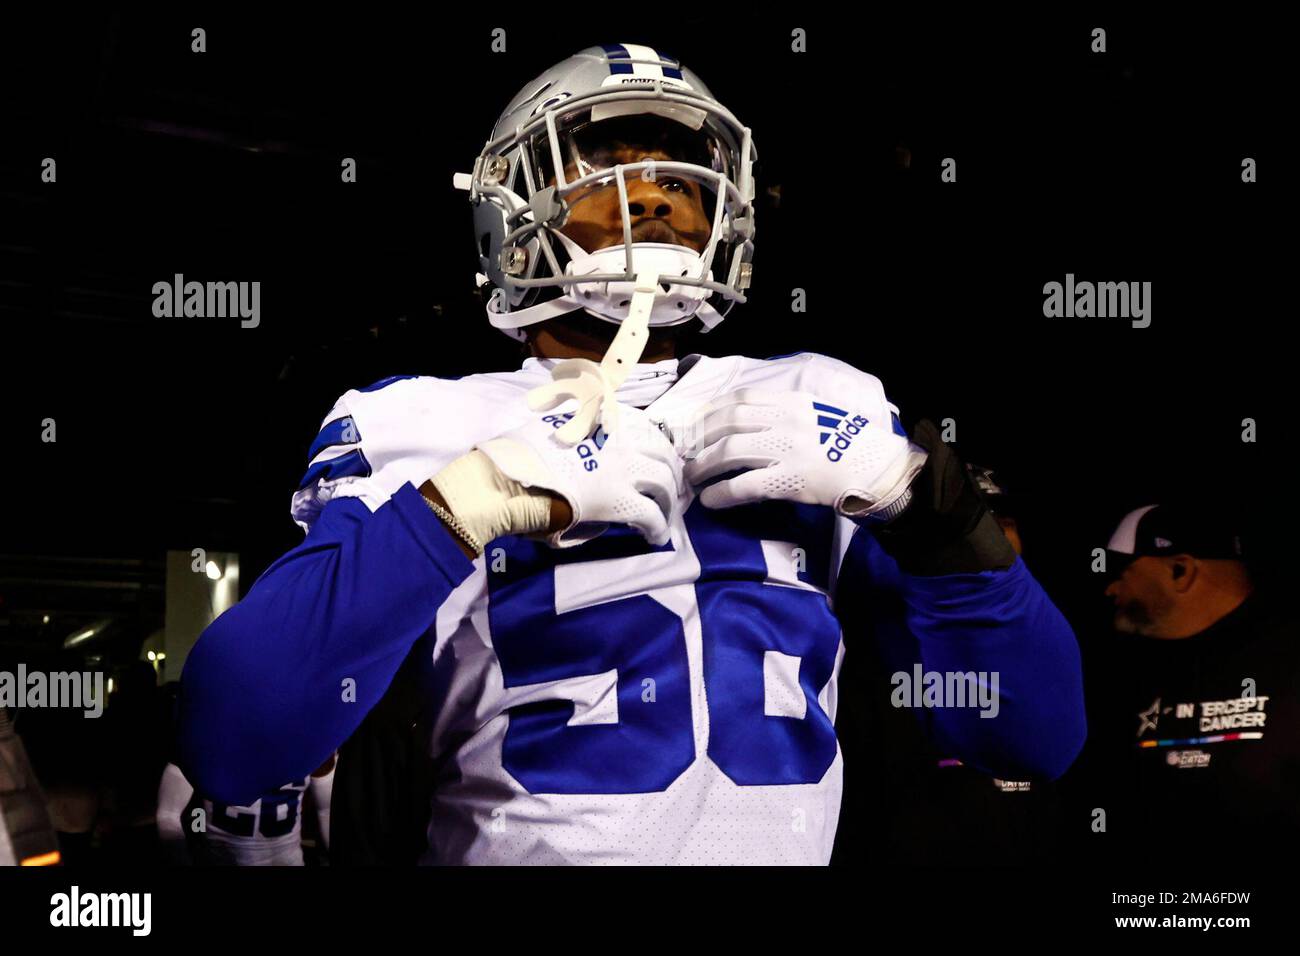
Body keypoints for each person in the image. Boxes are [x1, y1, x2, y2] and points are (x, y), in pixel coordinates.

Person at [179, 43, 1085, 865]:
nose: (651, 192)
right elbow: (235, 742)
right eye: (604, 164)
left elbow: (1031, 740)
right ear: (511, 211)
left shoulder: (827, 400)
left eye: (679, 177)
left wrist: (934, 513)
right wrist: (466, 503)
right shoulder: (420, 420)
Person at [1064, 502, 1298, 861]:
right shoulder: (1115, 677)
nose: (1110, 589)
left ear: (1179, 571)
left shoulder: (1286, 660)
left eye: (1122, 571)